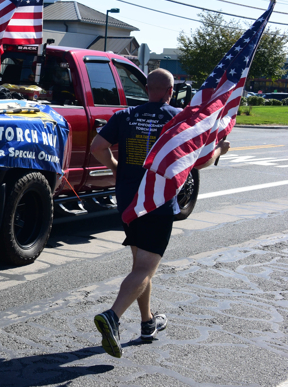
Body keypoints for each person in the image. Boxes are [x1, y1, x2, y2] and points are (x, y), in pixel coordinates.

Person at [90, 68, 230, 358]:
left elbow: (98, 147)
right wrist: (219, 151)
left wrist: (116, 168)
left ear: (146, 89)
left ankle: (147, 323)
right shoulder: (178, 119)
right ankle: (113, 316)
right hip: (157, 199)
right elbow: (198, 161)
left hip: (128, 199)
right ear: (170, 91)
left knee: (140, 265)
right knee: (145, 268)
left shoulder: (124, 115)